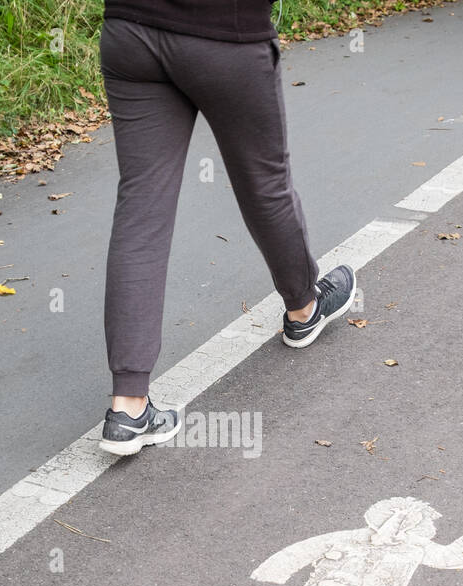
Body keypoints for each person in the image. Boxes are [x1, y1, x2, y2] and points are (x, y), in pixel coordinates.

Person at [96, 0, 357, 456]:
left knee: (141, 209)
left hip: (131, 32)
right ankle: (304, 307)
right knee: (265, 185)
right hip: (224, 36)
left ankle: (128, 407)